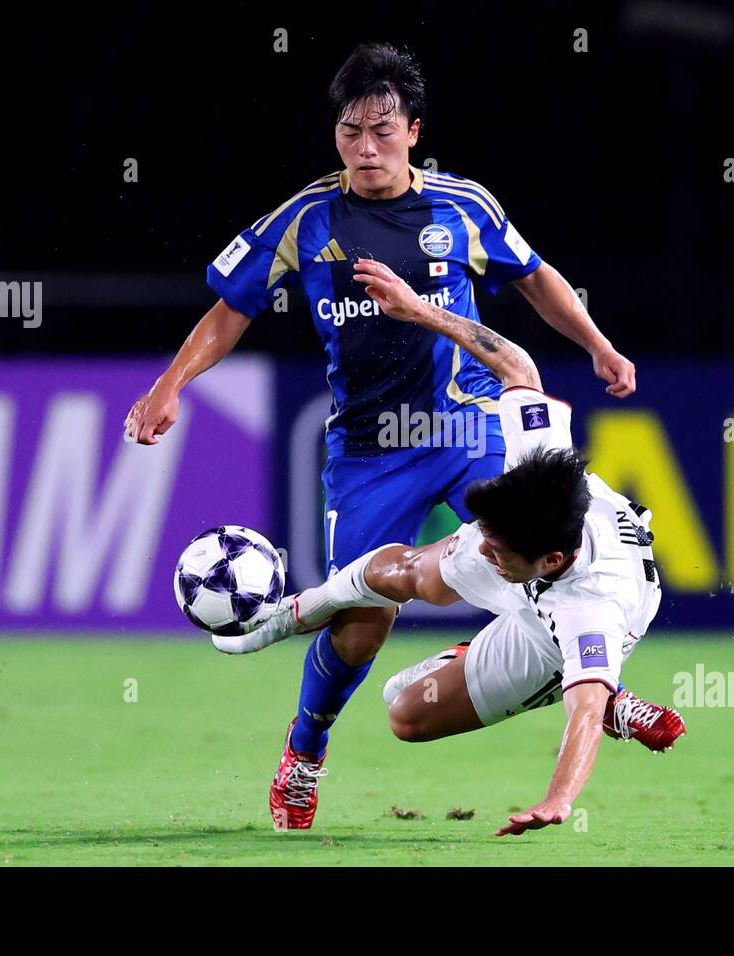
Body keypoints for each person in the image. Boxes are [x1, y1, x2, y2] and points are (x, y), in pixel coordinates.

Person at [126, 43, 638, 830]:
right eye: (351, 132)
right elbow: (232, 308)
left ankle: (594, 683)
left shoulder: (463, 205)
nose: (366, 148)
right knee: (362, 621)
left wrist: (597, 343)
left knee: (536, 547)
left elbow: (534, 275)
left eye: (383, 131)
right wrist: (170, 386)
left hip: (467, 424)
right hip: (369, 449)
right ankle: (305, 749)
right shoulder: (304, 219)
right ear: (337, 135)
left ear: (414, 131)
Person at [218, 257, 684, 837]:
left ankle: (607, 690)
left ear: (548, 561)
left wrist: (558, 799)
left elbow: (582, 712)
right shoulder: (534, 467)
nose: (478, 547)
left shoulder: (589, 612)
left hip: (556, 630)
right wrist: (420, 311)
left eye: (495, 548)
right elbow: (517, 364)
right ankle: (291, 614)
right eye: (482, 534)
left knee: (406, 713)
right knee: (409, 572)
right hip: (545, 574)